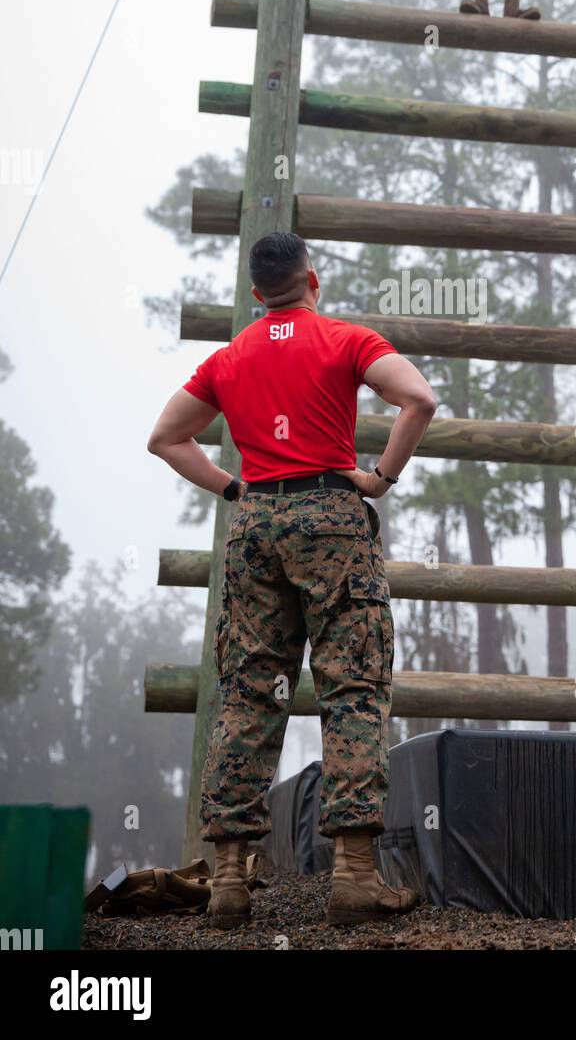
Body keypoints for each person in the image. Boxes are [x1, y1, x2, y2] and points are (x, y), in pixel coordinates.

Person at [147, 231, 438, 927]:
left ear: (256, 294)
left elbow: (165, 437)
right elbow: (420, 400)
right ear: (314, 277)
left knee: (248, 689)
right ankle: (355, 876)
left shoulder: (228, 358)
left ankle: (227, 883)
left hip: (254, 528)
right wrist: (380, 478)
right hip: (332, 518)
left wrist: (231, 490)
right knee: (353, 686)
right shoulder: (346, 340)